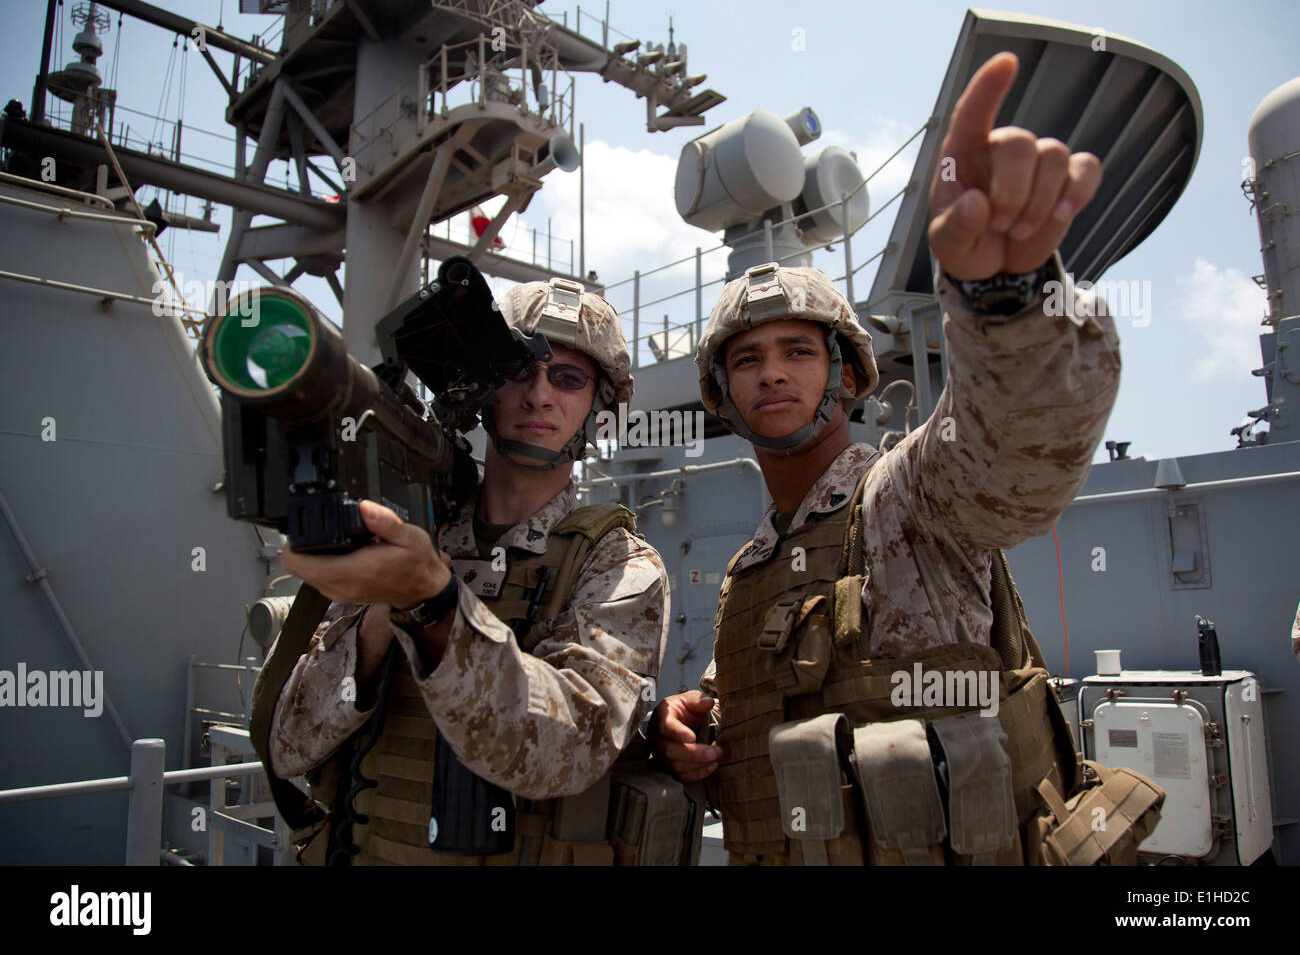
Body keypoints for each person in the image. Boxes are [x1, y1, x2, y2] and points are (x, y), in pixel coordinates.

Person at [649, 51, 1163, 865]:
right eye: (746, 361)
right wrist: (697, 717)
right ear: (721, 392)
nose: (772, 372)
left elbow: (1016, 441)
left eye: (796, 352)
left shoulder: (909, 499)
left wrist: (1008, 297)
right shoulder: (754, 570)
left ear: (848, 377)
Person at [254, 277, 677, 866]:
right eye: (517, 373)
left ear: (599, 408)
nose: (539, 396)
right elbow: (288, 744)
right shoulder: (407, 535)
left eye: (568, 379)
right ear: (481, 393)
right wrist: (382, 615)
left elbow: (567, 748)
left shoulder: (617, 563)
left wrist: (431, 602)